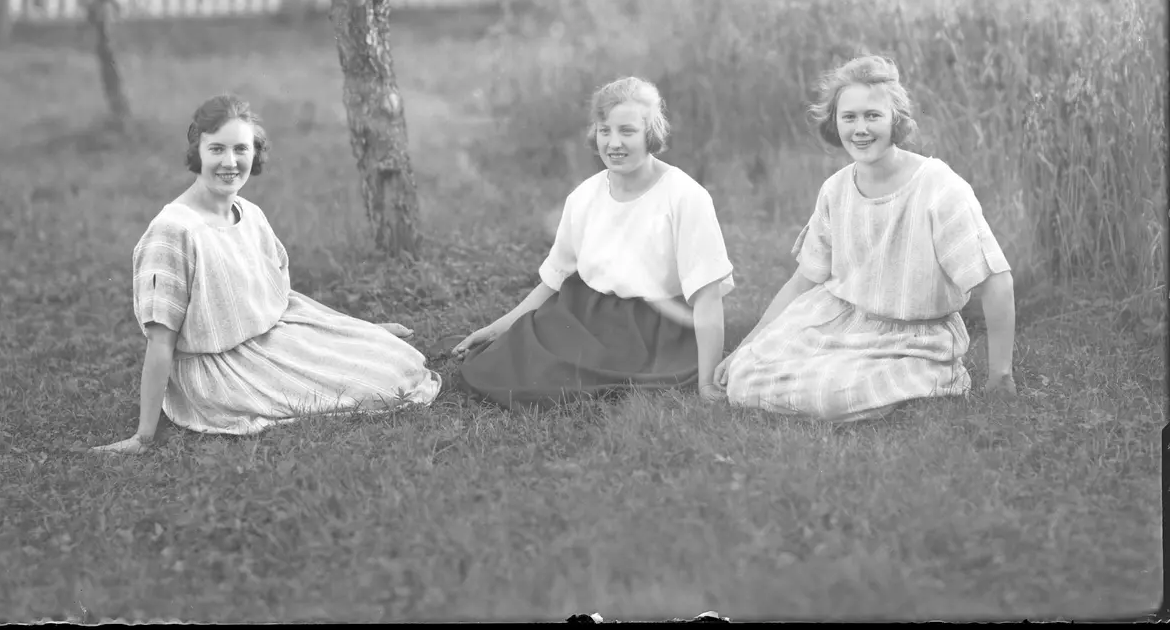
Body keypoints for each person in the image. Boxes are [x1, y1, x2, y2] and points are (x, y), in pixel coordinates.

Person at [92, 94, 441, 454]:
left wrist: (358, 330)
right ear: (197, 152)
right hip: (222, 371)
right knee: (382, 385)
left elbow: (281, 300)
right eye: (217, 149)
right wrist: (143, 437)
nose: (230, 162)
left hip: (270, 338)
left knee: (400, 360)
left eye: (241, 149)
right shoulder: (173, 232)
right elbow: (160, 341)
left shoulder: (248, 213)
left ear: (254, 153)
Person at [715, 55, 1017, 423]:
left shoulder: (937, 187)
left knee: (833, 395)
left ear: (896, 119)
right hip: (839, 320)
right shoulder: (836, 189)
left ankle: (935, 378)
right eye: (849, 117)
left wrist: (1001, 374)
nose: (860, 129)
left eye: (872, 116)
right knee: (745, 375)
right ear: (835, 123)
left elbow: (996, 279)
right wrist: (748, 345)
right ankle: (834, 376)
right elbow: (803, 280)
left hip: (912, 338)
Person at [452, 76, 735, 410]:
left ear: (650, 133)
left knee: (559, 384)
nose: (614, 143)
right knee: (503, 370)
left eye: (627, 131)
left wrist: (705, 383)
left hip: (656, 327)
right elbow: (553, 282)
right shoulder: (584, 196)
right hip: (587, 316)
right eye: (605, 131)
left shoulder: (686, 197)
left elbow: (707, 297)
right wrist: (496, 329)